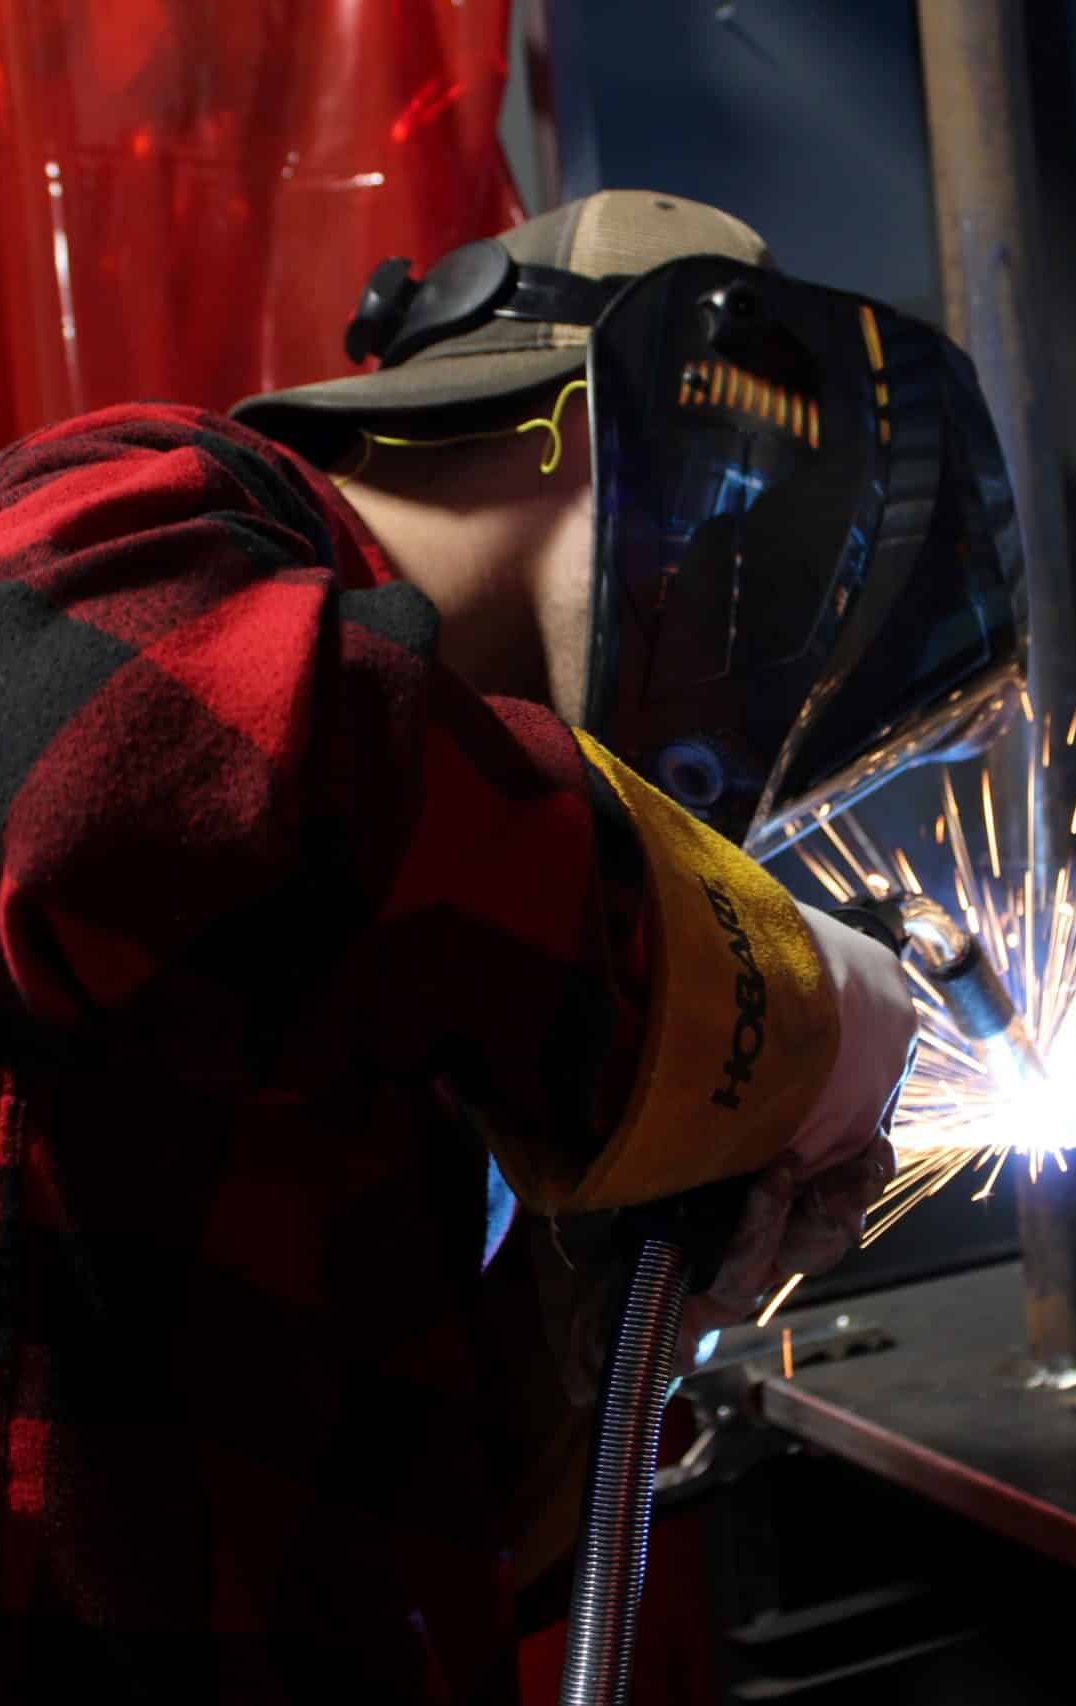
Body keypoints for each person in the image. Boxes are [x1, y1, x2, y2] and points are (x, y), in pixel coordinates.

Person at [0, 187, 1022, 1701]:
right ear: (630, 439)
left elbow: (416, 1521)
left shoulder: (441, 933)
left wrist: (619, 1312)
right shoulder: (138, 508)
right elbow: (88, 797)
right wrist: (752, 986)